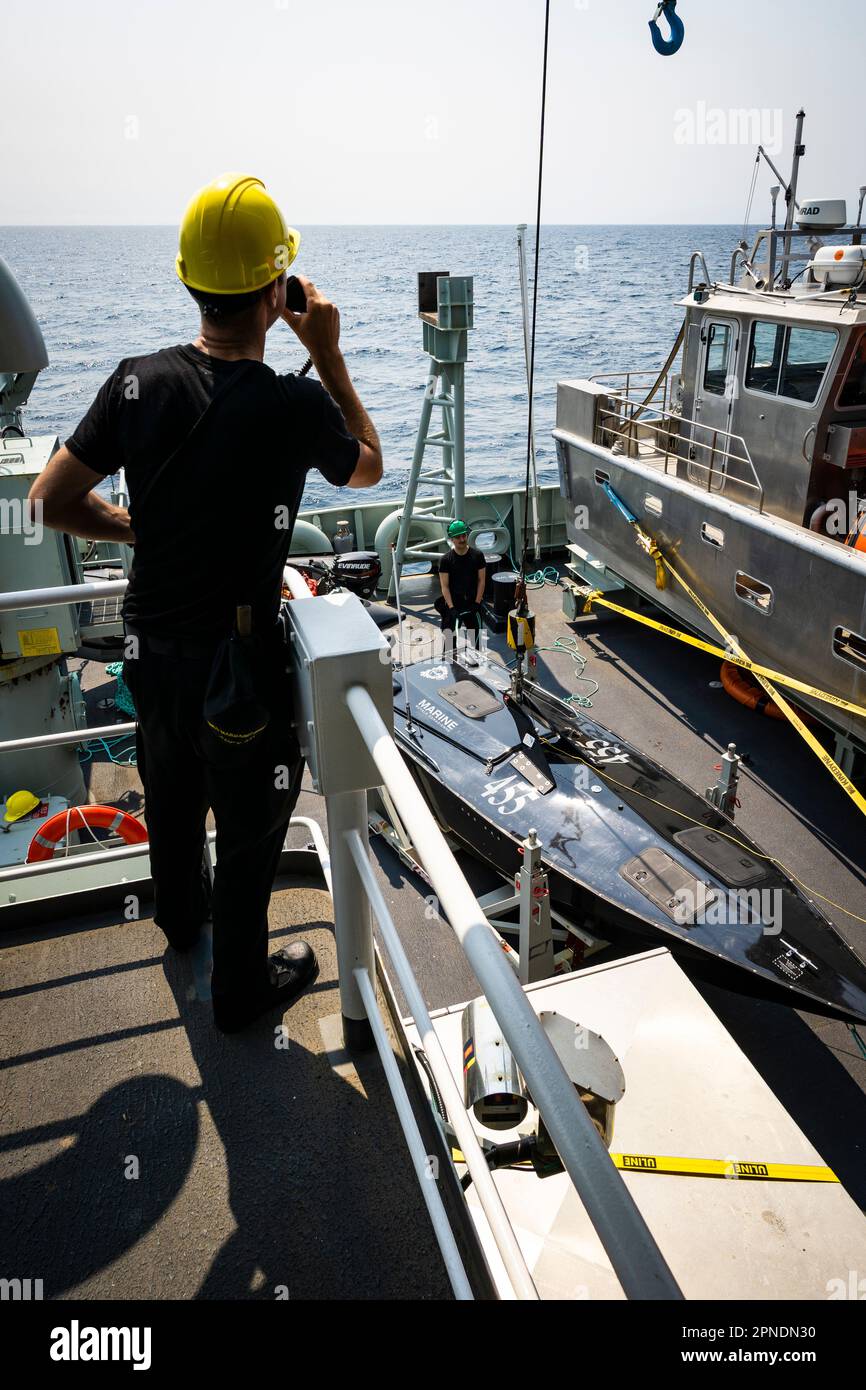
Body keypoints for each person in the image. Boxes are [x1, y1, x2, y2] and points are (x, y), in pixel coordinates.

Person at [29, 173, 382, 1033]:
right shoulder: (295, 402)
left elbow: (47, 501)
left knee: (172, 796)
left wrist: (137, 530)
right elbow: (367, 464)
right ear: (276, 293)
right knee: (254, 823)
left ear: (191, 283)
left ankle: (180, 922)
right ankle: (240, 993)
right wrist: (328, 353)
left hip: (152, 656)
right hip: (242, 666)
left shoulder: (134, 383)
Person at [434, 519, 486, 649]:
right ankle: (451, 666)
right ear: (452, 539)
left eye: (464, 535)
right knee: (449, 645)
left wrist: (477, 603)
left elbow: (482, 581)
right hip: (454, 605)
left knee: (478, 643)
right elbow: (444, 586)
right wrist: (451, 608)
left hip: (473, 603)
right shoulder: (445, 560)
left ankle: (479, 664)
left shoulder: (478, 556)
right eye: (458, 537)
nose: (462, 539)